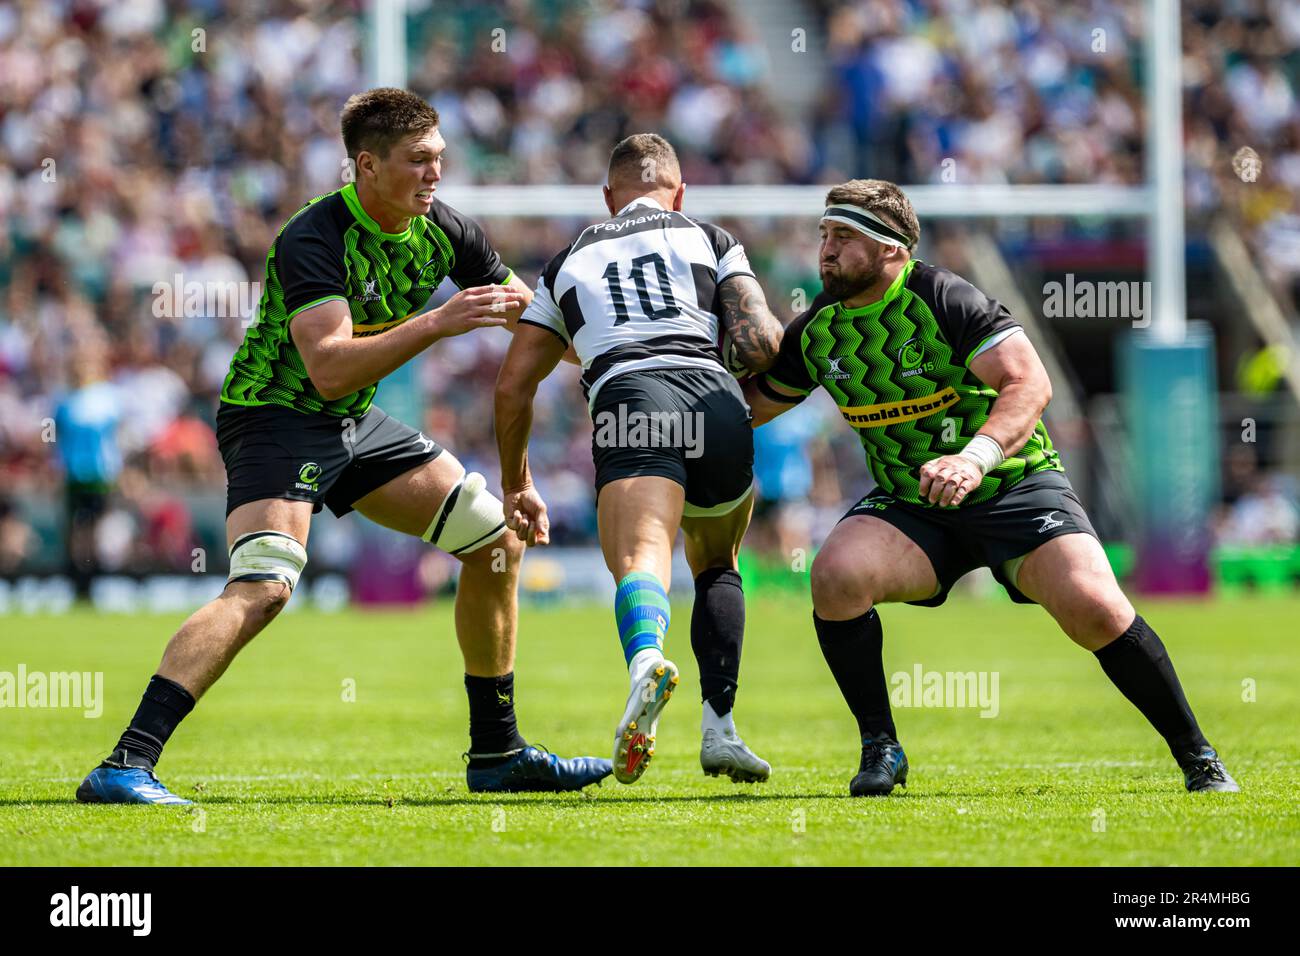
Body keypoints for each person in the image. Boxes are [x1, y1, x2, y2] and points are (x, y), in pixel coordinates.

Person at [77, 88, 610, 805]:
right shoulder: (313, 238)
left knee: (492, 540)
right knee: (265, 586)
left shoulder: (448, 231)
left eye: (440, 159)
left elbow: (533, 320)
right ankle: (125, 764)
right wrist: (437, 323)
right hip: (275, 417)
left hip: (350, 422)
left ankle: (497, 752)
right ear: (365, 165)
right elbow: (326, 369)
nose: (435, 174)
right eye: (418, 161)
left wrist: (621, 350)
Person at [745, 179, 1239, 796]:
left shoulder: (943, 296)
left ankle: (1198, 755)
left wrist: (973, 458)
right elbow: (752, 407)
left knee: (1095, 606)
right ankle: (882, 747)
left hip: (1011, 483)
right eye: (824, 235)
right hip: (913, 502)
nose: (826, 250)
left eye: (844, 237)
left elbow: (1028, 384)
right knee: (836, 574)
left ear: (892, 249)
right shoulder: (817, 329)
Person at [494, 134, 785, 784]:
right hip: (715, 399)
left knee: (641, 557)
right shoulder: (709, 237)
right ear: (679, 193)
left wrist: (518, 480)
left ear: (607, 198)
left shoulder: (567, 259)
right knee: (716, 562)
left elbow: (514, 385)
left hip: (632, 393)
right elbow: (761, 342)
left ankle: (646, 661)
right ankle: (721, 731)